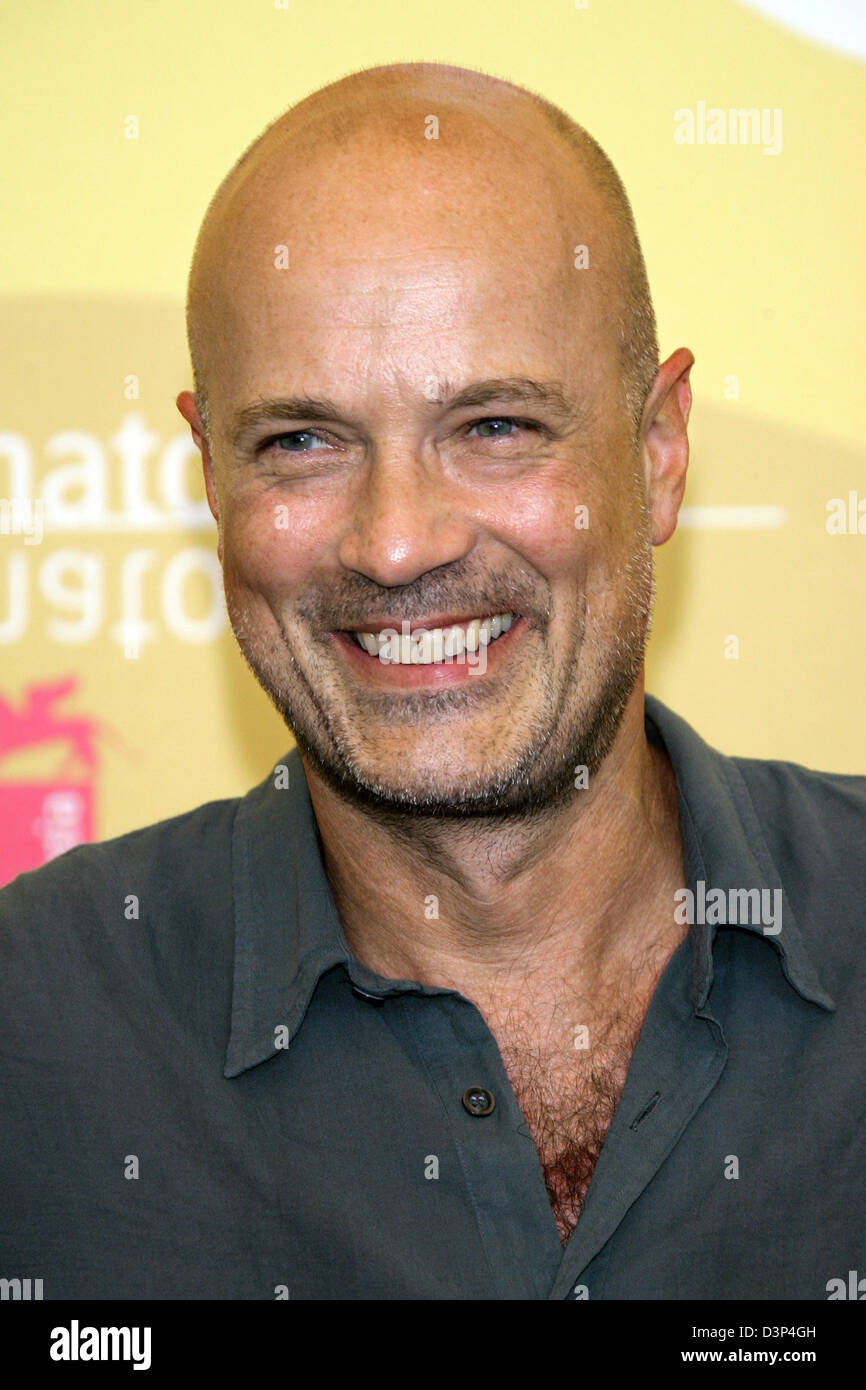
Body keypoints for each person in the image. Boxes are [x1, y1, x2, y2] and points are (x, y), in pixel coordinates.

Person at [1, 62, 864, 1302]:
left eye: (495, 426)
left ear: (658, 450)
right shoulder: (34, 1029)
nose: (395, 541)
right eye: (300, 441)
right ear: (206, 475)